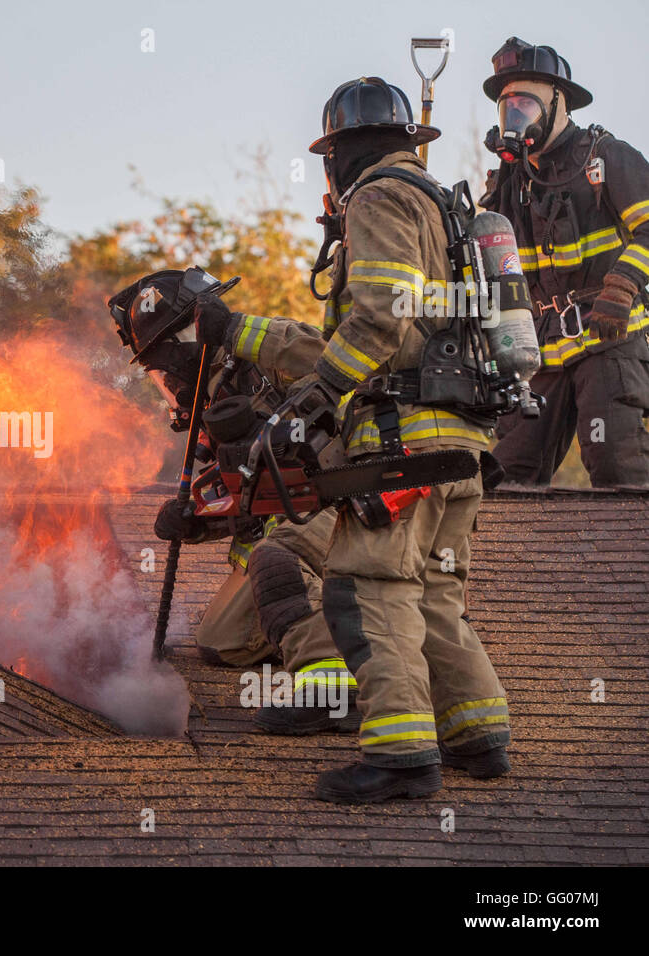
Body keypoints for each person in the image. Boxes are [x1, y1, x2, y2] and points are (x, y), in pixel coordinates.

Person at [196, 77, 513, 803]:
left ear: (342, 153)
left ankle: (401, 757)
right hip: (461, 442)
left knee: (368, 588)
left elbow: (376, 322)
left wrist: (314, 398)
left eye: (329, 158)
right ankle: (479, 736)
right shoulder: (450, 210)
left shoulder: (378, 198)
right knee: (434, 592)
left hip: (403, 440)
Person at [110, 270, 356, 736]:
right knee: (221, 642)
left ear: (186, 340)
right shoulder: (214, 397)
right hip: (281, 545)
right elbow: (246, 491)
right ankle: (357, 631)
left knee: (279, 554)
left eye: (162, 362)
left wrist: (238, 329)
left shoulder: (264, 358)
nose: (165, 379)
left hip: (342, 511)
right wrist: (197, 520)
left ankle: (332, 685)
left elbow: (333, 360)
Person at [481, 37, 649, 487]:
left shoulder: (606, 157)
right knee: (507, 473)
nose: (514, 117)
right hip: (539, 353)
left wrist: (622, 286)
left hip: (610, 338)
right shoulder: (507, 184)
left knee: (617, 465)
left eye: (525, 105)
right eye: (506, 107)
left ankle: (632, 558)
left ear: (559, 103)